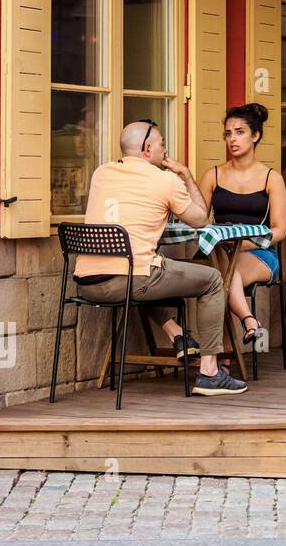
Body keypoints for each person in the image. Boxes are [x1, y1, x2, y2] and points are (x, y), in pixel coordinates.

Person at [76, 120, 246, 396]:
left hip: (86, 281)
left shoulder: (101, 173)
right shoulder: (165, 180)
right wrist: (187, 176)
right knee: (213, 279)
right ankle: (210, 372)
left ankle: (177, 334)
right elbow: (200, 220)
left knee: (145, 267)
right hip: (132, 280)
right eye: (163, 143)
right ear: (147, 149)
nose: (165, 149)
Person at [199, 104, 286, 351]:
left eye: (239, 132)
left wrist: (245, 244)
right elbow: (197, 219)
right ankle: (248, 324)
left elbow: (280, 229)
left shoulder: (272, 178)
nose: (232, 139)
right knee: (222, 273)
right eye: (228, 133)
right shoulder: (212, 175)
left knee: (224, 276)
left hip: (259, 253)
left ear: (255, 135)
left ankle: (228, 352)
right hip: (221, 251)